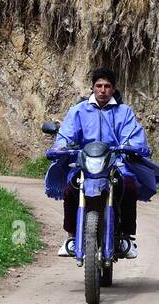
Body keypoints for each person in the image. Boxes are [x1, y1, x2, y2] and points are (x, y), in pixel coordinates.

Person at [45, 67, 149, 259]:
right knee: (70, 188)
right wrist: (60, 146)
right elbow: (67, 133)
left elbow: (132, 135)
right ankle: (71, 237)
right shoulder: (78, 111)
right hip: (84, 163)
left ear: (113, 88)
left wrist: (133, 146)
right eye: (98, 86)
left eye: (107, 86)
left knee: (129, 186)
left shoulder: (124, 112)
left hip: (115, 162)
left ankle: (126, 238)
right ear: (92, 88)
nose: (102, 90)